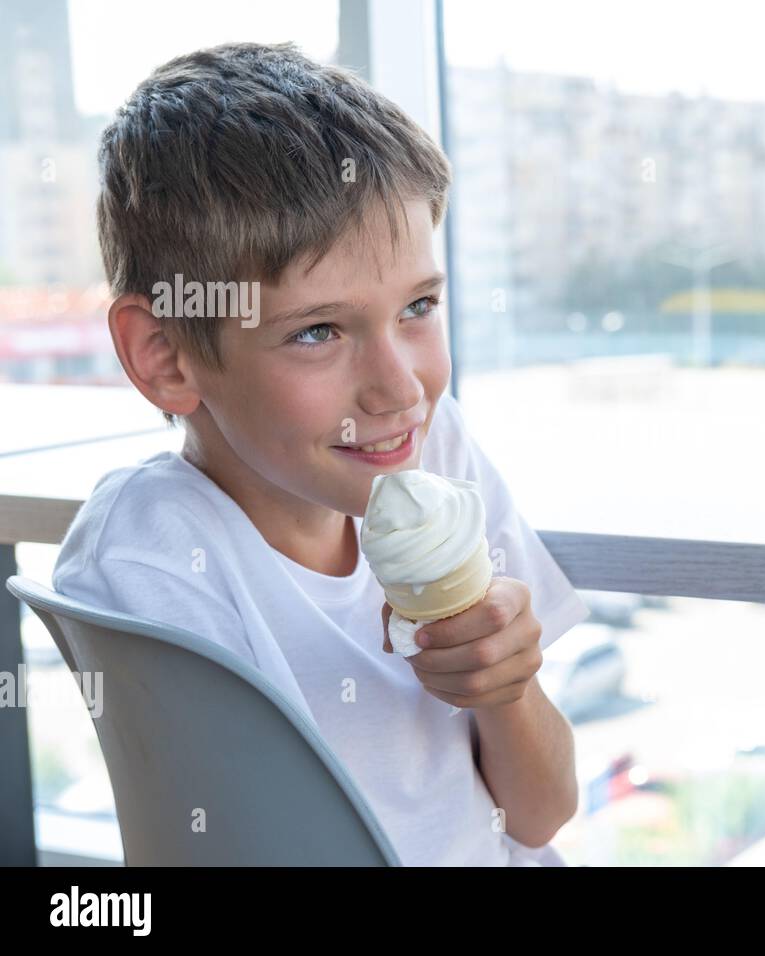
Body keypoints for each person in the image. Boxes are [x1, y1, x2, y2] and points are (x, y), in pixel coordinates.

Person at [53, 41, 589, 866]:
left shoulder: (433, 452)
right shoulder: (156, 549)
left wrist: (506, 691)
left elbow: (541, 815)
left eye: (418, 306)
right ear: (166, 357)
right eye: (317, 331)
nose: (399, 389)